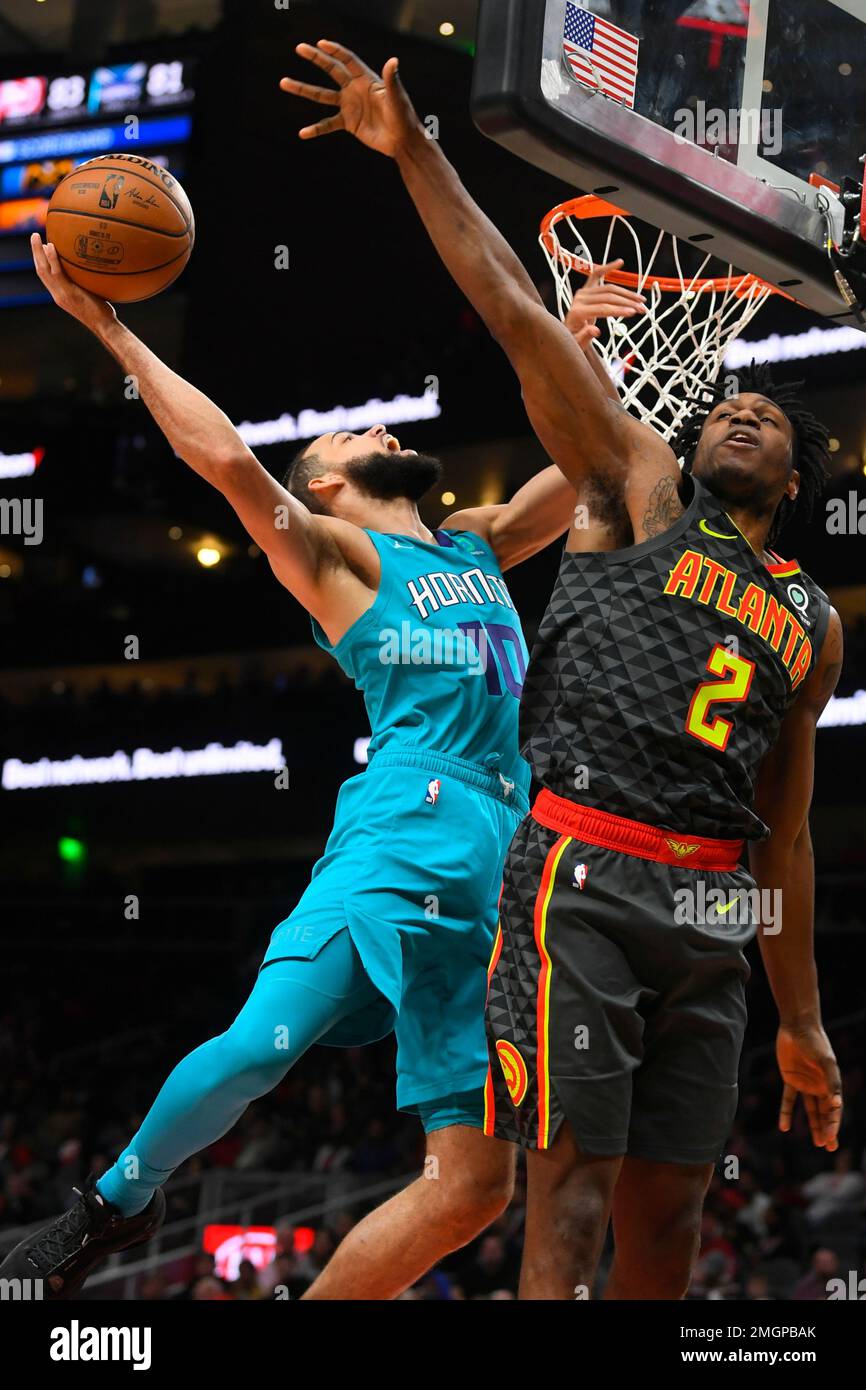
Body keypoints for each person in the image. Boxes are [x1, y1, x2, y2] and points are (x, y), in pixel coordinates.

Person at [278, 39, 844, 1300]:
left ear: (797, 483)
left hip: (711, 907)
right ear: (684, 444)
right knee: (570, 1199)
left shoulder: (808, 615)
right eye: (719, 411)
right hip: (580, 868)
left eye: (766, 419)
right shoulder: (639, 496)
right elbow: (512, 308)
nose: (738, 411)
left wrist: (800, 1019)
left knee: (671, 1217)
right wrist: (414, 148)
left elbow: (788, 838)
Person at [0, 222, 643, 1300]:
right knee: (259, 1050)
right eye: (355, 435)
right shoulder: (338, 556)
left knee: (473, 1186)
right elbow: (224, 460)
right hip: (399, 835)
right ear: (330, 487)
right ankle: (113, 1198)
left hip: (500, 867)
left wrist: (580, 355)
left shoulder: (474, 542)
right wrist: (111, 328)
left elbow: (595, 474)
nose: (383, 424)